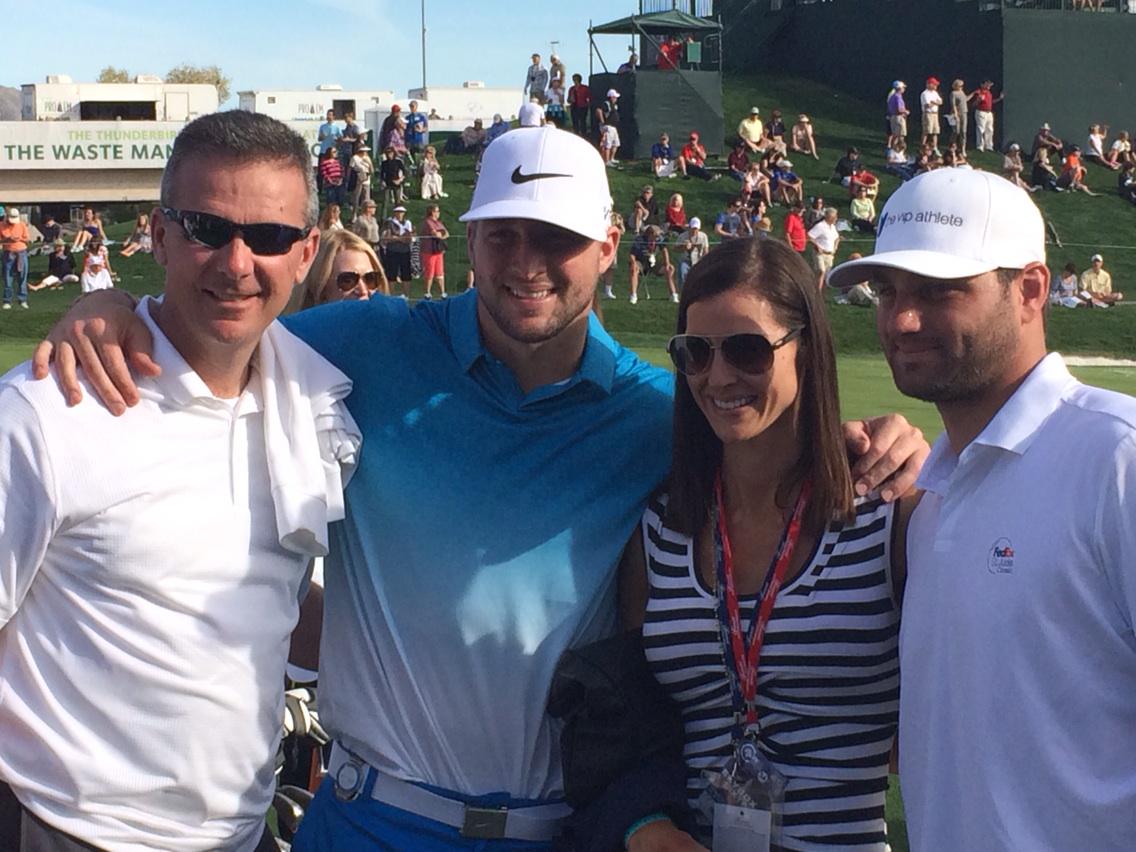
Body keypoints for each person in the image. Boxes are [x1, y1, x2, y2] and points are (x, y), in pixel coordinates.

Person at [34, 126, 928, 852]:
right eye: (503, 233)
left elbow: (768, 430)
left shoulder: (666, 409)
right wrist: (115, 311)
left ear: (609, 248)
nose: (526, 261)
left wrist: (882, 439)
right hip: (367, 820)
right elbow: (226, 316)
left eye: (558, 239)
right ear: (466, 239)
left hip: (563, 830)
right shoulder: (366, 343)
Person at [0, 109, 357, 852]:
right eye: (205, 227)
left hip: (237, 833)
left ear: (305, 252)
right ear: (158, 234)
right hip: (63, 829)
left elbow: (265, 595)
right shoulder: (50, 408)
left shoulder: (315, 400)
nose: (236, 262)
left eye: (268, 238)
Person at [828, 165, 1136, 852]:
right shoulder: (928, 493)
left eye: (938, 290)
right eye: (888, 291)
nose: (902, 319)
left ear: (1029, 290)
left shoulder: (1117, 459)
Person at [612, 235, 909, 852]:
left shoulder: (887, 516)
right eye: (696, 352)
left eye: (748, 350)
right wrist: (648, 826)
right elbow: (637, 723)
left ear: (806, 350)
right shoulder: (661, 531)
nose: (718, 376)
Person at [289, 228, 389, 311]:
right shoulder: (284, 334)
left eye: (371, 279)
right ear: (319, 288)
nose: (363, 291)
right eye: (348, 280)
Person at [628, 225, 677, 305]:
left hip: (654, 264)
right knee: (634, 268)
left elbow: (664, 250)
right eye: (656, 235)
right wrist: (633, 263)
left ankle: (673, 295)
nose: (658, 236)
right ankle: (633, 295)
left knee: (670, 269)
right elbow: (632, 254)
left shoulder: (659, 239)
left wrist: (667, 263)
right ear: (650, 234)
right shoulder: (639, 240)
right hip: (641, 263)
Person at [1, 207, 31, 310]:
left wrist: (20, 239)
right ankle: (7, 300)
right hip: (8, 253)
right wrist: (7, 239)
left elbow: (27, 239)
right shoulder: (1, 225)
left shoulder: (22, 225)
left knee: (22, 277)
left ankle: (22, 299)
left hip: (21, 252)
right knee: (8, 277)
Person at [380, 204, 414, 297]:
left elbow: (409, 237)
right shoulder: (389, 223)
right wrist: (400, 239)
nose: (400, 214)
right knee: (392, 274)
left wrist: (399, 238)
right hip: (393, 251)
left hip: (405, 251)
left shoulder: (407, 223)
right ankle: (390, 295)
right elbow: (386, 237)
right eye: (398, 212)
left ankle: (406, 295)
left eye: (402, 212)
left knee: (406, 274)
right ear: (395, 212)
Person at [419, 204, 449, 300]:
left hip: (438, 251)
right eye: (437, 211)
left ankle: (442, 292)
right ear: (432, 212)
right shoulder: (428, 222)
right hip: (429, 251)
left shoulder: (438, 223)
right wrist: (440, 234)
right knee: (429, 272)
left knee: (440, 272)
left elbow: (446, 233)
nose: (438, 213)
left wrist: (441, 234)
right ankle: (427, 293)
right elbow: (435, 234)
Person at [807, 206, 840, 289]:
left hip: (830, 254)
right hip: (820, 254)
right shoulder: (820, 226)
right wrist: (817, 246)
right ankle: (817, 292)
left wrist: (835, 246)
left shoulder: (833, 227)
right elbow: (810, 236)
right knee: (821, 271)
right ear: (829, 217)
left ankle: (822, 294)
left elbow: (837, 237)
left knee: (826, 275)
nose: (836, 218)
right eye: (834, 217)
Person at [971, 79, 1003, 152]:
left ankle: (989, 146)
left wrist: (999, 99)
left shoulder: (989, 93)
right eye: (987, 84)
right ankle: (980, 146)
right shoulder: (978, 92)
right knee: (980, 129)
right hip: (981, 112)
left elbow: (991, 102)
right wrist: (979, 100)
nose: (989, 86)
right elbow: (973, 104)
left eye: (990, 84)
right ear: (982, 85)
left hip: (989, 112)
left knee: (990, 129)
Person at [675, 216, 708, 287]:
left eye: (696, 229)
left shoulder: (703, 236)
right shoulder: (682, 236)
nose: (694, 231)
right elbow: (675, 249)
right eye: (693, 228)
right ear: (689, 227)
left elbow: (706, 250)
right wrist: (683, 247)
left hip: (698, 260)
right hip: (685, 260)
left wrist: (704, 261)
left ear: (699, 228)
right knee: (684, 275)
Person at [379, 146, 407, 211]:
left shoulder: (398, 162)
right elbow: (382, 174)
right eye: (387, 153)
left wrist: (400, 180)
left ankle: (397, 216)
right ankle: (383, 218)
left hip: (396, 182)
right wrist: (382, 181)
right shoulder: (384, 163)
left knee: (398, 202)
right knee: (385, 202)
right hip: (387, 182)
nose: (389, 155)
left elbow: (405, 172)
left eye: (391, 153)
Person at [350, 144, 374, 213]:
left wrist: (369, 164)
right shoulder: (354, 158)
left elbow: (372, 170)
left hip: (366, 180)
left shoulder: (367, 158)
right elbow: (351, 168)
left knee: (366, 198)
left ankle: (365, 213)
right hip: (358, 179)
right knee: (356, 198)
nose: (365, 152)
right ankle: (354, 213)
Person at [405, 100, 429, 166]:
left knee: (419, 155)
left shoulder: (421, 117)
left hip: (418, 139)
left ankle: (420, 168)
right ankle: (412, 168)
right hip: (410, 140)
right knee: (410, 156)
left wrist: (421, 130)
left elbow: (425, 127)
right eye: (410, 106)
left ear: (416, 107)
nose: (411, 108)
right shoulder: (407, 118)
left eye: (412, 106)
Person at [886, 80, 909, 148]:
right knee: (900, 135)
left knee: (895, 135)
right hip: (898, 118)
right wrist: (905, 111)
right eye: (903, 88)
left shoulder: (892, 96)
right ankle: (899, 149)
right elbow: (899, 109)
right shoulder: (898, 97)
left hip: (893, 117)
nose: (904, 89)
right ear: (900, 88)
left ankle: (893, 149)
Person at [567, 73, 591, 137]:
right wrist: (571, 99)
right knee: (575, 122)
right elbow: (568, 100)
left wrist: (587, 103)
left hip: (583, 107)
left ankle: (584, 135)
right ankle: (576, 134)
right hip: (574, 107)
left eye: (576, 80)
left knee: (583, 122)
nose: (574, 81)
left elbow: (588, 97)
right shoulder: (571, 89)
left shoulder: (585, 88)